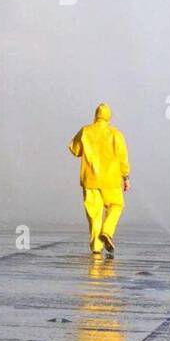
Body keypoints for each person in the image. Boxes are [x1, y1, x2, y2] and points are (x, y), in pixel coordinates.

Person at [68, 103, 130, 256]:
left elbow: (75, 150)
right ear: (109, 117)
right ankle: (107, 231)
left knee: (94, 215)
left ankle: (96, 247)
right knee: (116, 205)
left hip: (90, 180)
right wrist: (126, 177)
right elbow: (123, 158)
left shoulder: (85, 131)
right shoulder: (116, 134)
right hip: (111, 180)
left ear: (95, 115)